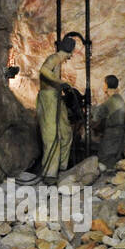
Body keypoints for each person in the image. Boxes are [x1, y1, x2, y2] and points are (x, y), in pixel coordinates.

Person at [36, 35, 76, 184]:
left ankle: (62, 167)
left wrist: (63, 88)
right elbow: (44, 70)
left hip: (56, 97)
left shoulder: (59, 60)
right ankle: (50, 174)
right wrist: (61, 82)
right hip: (48, 98)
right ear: (70, 51)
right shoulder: (55, 57)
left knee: (65, 133)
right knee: (51, 136)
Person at [95, 74, 125, 170]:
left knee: (105, 158)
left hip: (112, 134)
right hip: (118, 134)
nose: (103, 86)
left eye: (104, 83)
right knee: (114, 158)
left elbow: (97, 115)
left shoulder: (112, 101)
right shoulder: (118, 98)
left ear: (107, 85)